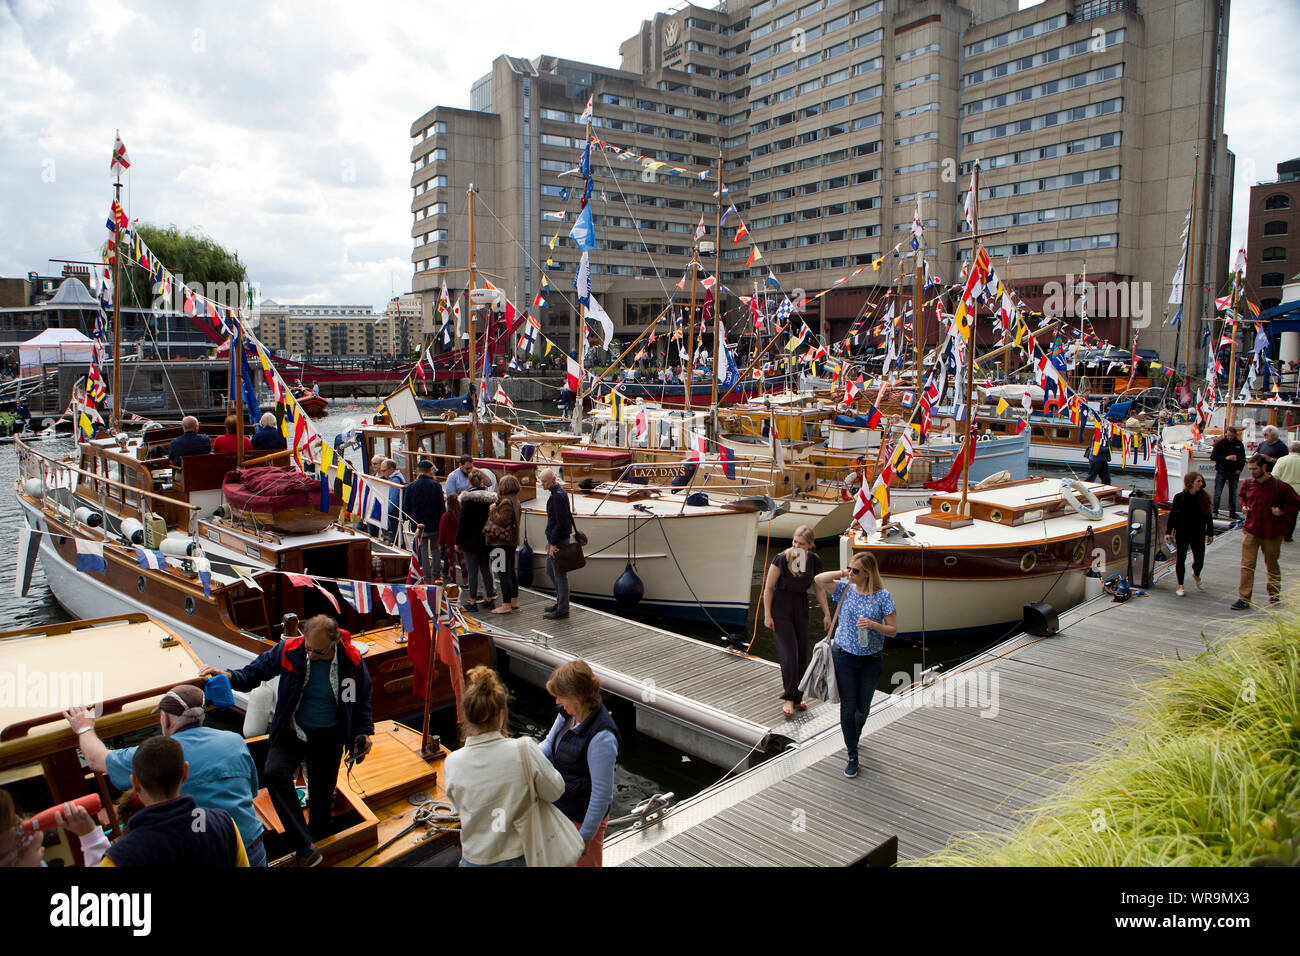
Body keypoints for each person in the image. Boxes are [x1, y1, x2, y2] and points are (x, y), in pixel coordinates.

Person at [201, 614, 373, 867]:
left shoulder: (351, 662)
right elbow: (255, 672)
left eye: (318, 651)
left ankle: (322, 849)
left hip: (329, 737)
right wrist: (228, 676)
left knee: (322, 801)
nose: (311, 655)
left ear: (334, 643)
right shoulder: (290, 651)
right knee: (273, 773)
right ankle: (304, 846)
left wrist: (362, 732)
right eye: (308, 648)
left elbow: (360, 700)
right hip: (292, 731)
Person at [62, 684, 266, 866]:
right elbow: (252, 792)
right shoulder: (234, 741)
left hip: (203, 850)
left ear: (166, 720)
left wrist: (84, 728)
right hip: (250, 845)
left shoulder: (152, 758)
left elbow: (96, 760)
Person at [444, 666, 565, 867]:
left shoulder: (453, 762)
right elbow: (556, 791)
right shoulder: (524, 749)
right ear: (501, 714)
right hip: (520, 857)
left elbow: (458, 805)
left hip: (474, 858)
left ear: (466, 716)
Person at [100, 737, 249, 867]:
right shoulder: (224, 824)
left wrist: (89, 836)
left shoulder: (118, 858)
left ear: (135, 783)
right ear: (185, 772)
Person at [813, 552, 897, 779]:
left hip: (871, 658)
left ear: (868, 573)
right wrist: (844, 573)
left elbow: (893, 629)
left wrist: (873, 625)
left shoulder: (882, 597)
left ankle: (854, 735)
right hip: (844, 655)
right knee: (848, 707)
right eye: (850, 569)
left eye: (856, 571)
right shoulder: (844, 589)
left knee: (863, 707)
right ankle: (852, 754)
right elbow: (819, 580)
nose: (851, 573)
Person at [539, 660, 619, 867]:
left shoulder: (602, 737)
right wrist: (523, 758)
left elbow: (602, 795)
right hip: (562, 810)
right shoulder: (567, 714)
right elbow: (548, 745)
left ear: (576, 697)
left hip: (582, 818)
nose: (557, 701)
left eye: (561, 696)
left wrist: (584, 837)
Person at [762, 525, 828, 717]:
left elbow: (819, 588)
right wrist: (767, 615)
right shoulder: (782, 558)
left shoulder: (814, 561)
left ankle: (798, 695)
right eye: (794, 542)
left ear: (810, 545)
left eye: (801, 543)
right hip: (781, 605)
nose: (797, 546)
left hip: (800, 605)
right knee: (789, 654)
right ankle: (789, 697)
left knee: (801, 653)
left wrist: (827, 613)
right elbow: (769, 588)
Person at [1231, 454, 1300, 610]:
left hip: (1272, 532)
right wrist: (1244, 506)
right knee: (1247, 565)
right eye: (1250, 469)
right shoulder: (1248, 484)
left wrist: (1282, 511)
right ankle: (1244, 598)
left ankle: (1274, 594)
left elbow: (1296, 503)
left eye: (1255, 469)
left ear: (1264, 467)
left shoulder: (1280, 486)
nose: (1252, 472)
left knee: (1272, 564)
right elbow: (1243, 497)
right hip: (1251, 530)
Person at [456, 470, 498, 611]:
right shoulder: (490, 499)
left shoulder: (466, 500)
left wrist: (458, 541)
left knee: (472, 571)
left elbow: (462, 523)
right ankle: (490, 598)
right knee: (486, 569)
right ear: (481, 481)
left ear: (469, 482)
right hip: (486, 539)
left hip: (470, 540)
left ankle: (473, 601)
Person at [1168, 472, 1214, 597]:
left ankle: (1196, 574)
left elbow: (1208, 516)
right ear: (1190, 483)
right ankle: (1180, 585)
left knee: (1199, 559)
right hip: (1182, 531)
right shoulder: (1179, 497)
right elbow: (1173, 515)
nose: (1201, 484)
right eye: (1198, 481)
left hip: (1198, 532)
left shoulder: (1203, 497)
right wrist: (1168, 531)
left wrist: (1210, 532)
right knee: (1181, 558)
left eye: (1201, 481)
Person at [403, 460, 445, 578]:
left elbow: (406, 506)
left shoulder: (411, 486)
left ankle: (426, 576)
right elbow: (441, 507)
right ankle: (436, 575)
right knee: (436, 550)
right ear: (430, 470)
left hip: (418, 525)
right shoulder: (436, 486)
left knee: (423, 551)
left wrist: (414, 519)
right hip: (434, 524)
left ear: (418, 470)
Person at [540, 467, 572, 620]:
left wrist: (553, 542)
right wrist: (549, 540)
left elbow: (561, 522)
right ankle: (560, 602)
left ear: (553, 480)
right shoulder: (556, 494)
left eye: (544, 481)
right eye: (541, 481)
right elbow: (554, 521)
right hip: (554, 539)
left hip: (558, 541)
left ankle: (563, 609)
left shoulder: (558, 496)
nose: (542, 484)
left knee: (559, 575)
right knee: (551, 571)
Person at [489, 474, 522, 615]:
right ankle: (514, 601)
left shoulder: (506, 503)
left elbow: (500, 521)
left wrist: (492, 510)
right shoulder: (516, 501)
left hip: (500, 542)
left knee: (502, 573)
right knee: (510, 572)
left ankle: (506, 605)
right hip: (511, 542)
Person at [1210, 426, 1246, 519]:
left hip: (1234, 472)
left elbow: (1243, 458)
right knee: (1218, 492)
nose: (1230, 437)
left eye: (1232, 436)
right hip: (1222, 470)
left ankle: (1232, 512)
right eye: (1229, 435)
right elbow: (1213, 457)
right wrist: (1226, 458)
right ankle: (1215, 511)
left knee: (1233, 493)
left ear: (1235, 435)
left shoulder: (1239, 444)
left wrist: (1239, 469)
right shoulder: (1220, 443)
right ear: (1226, 434)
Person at [1271, 441, 1300, 542]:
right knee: (1293, 514)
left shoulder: (1282, 460)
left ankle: (1279, 531)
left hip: (1282, 490)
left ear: (1289, 449)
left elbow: (1274, 475)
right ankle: (1288, 535)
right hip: (1297, 491)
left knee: (1281, 511)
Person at [440, 493, 466, 586]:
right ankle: (465, 581)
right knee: (463, 562)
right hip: (460, 541)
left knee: (452, 563)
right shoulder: (461, 515)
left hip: (449, 542)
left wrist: (440, 543)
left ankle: (453, 582)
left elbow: (442, 532)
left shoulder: (446, 516)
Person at [381, 458, 406, 542]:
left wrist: (385, 513)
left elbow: (393, 499)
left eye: (384, 471)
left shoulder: (395, 479)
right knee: (397, 535)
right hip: (395, 511)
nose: (382, 473)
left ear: (391, 469)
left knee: (396, 536)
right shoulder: (397, 477)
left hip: (394, 512)